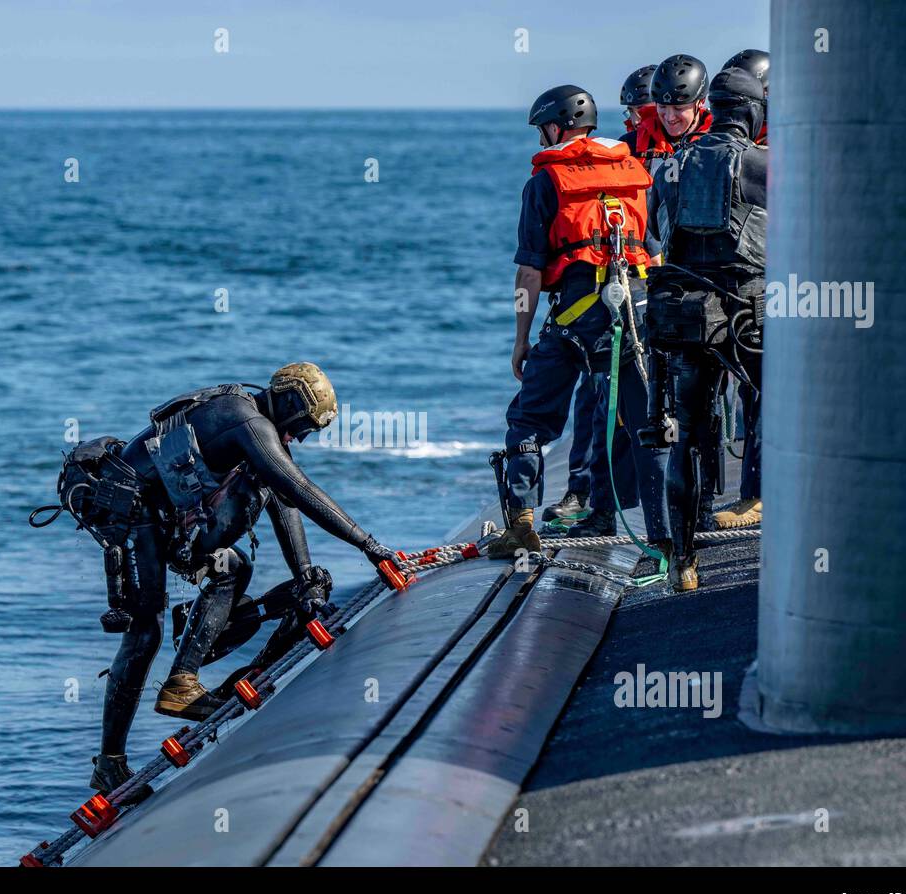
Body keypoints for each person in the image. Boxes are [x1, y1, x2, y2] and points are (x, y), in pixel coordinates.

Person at [36, 363, 400, 797]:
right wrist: (368, 544)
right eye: (303, 425)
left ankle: (181, 683)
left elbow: (284, 501)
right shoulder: (245, 420)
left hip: (164, 513)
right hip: (129, 509)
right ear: (286, 401)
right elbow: (299, 487)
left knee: (234, 569)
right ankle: (109, 766)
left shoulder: (260, 429)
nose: (301, 436)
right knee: (144, 632)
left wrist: (304, 576)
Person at [489, 85, 668, 558]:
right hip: (635, 309)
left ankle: (522, 524)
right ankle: (665, 537)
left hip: (575, 315)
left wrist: (521, 340)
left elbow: (529, 270)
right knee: (645, 422)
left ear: (555, 126)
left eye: (543, 129)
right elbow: (653, 250)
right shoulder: (631, 170)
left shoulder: (545, 182)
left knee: (529, 416)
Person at [643, 66, 768, 591]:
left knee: (687, 439)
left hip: (688, 317)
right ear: (753, 113)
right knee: (774, 414)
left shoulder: (667, 166)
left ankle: (684, 563)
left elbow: (653, 235)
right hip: (748, 317)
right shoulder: (765, 164)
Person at [543, 66, 657, 532]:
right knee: (604, 401)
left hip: (634, 298)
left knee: (623, 406)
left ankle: (611, 503)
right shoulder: (630, 159)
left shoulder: (642, 162)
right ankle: (594, 496)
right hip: (628, 298)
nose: (631, 121)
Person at [712, 48, 769, 530]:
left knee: (763, 395)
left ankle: (757, 494)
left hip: (758, 293)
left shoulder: (766, 157)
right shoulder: (759, 156)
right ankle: (750, 493)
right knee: (755, 395)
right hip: (740, 294)